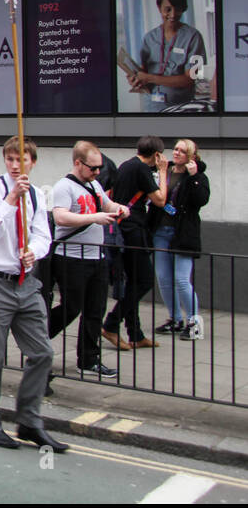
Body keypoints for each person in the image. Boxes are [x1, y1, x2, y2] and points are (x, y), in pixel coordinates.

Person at [0, 137, 67, 453]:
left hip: (25, 283)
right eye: (10, 160)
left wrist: (34, 253)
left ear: (33, 163)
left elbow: (44, 236)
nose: (15, 166)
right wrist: (12, 196)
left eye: (21, 160)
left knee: (42, 353)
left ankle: (29, 419)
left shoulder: (38, 196)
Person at [45, 142, 129, 382]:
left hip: (96, 256)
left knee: (95, 310)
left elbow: (107, 204)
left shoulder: (93, 184)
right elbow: (60, 217)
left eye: (99, 168)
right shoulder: (64, 187)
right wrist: (95, 217)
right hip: (71, 258)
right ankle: (36, 339)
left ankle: (89, 358)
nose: (97, 173)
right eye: (93, 168)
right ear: (78, 163)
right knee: (72, 307)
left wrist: (119, 209)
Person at [102, 136, 168, 351]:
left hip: (124, 229)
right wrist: (164, 172)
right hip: (133, 230)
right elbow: (160, 200)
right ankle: (112, 323)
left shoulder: (126, 165)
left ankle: (136, 333)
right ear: (156, 155)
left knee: (133, 281)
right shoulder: (142, 169)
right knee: (144, 280)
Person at [153, 138, 208, 341]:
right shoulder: (165, 171)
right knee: (164, 278)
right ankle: (175, 319)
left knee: (182, 279)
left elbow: (201, 200)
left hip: (182, 233)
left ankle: (194, 322)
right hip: (161, 231)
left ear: (191, 157)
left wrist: (194, 177)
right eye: (175, 149)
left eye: (182, 151)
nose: (176, 153)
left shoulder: (198, 177)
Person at [125, 0, 209, 112]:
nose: (173, 14)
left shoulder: (194, 37)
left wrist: (149, 78)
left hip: (181, 108)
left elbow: (191, 80)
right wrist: (135, 79)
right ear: (159, 8)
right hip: (152, 107)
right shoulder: (149, 38)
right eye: (168, 9)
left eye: (178, 9)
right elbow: (143, 71)